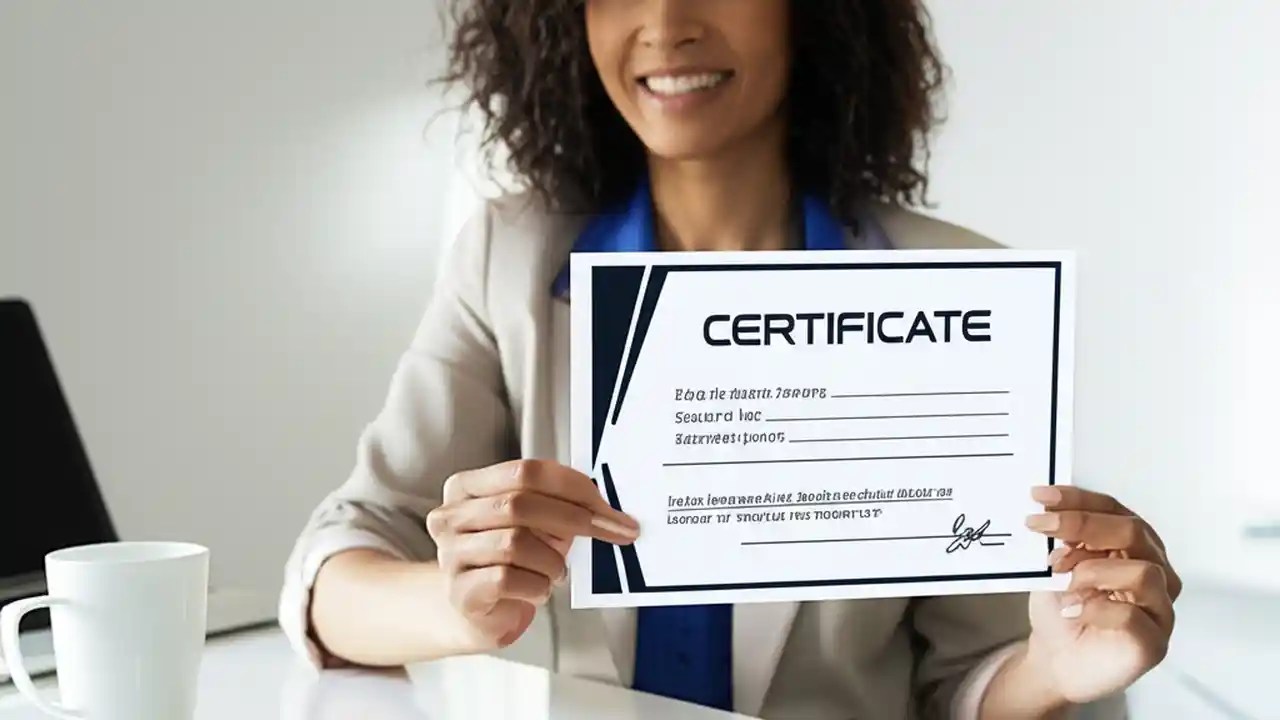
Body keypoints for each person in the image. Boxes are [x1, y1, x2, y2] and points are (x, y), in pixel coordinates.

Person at [279, 1, 1180, 717]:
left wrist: (1056, 672)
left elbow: (971, 681)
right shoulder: (506, 260)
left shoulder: (961, 290)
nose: (667, 24)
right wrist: (456, 602)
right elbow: (339, 566)